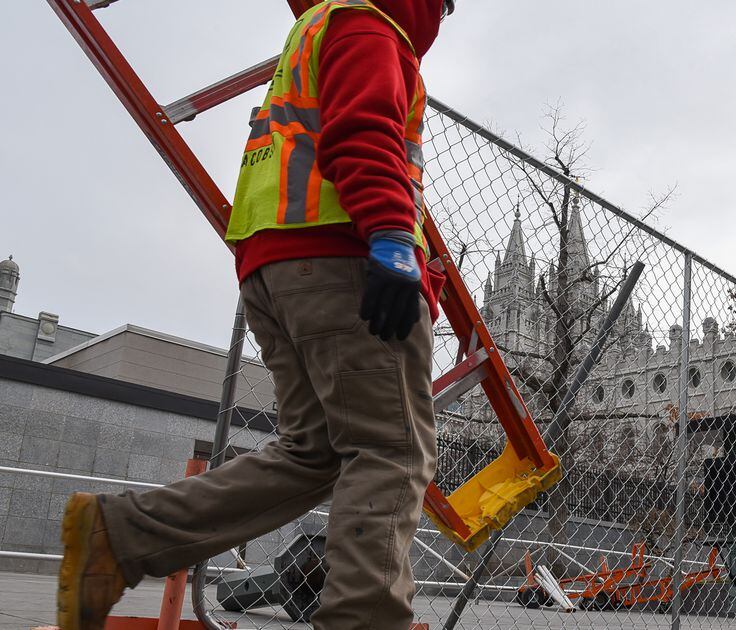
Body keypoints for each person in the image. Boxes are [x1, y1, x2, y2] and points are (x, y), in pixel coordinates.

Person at [56, 1, 451, 627]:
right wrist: (393, 237)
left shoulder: (317, 26)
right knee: (390, 451)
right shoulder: (372, 24)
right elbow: (363, 130)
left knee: (314, 451)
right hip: (345, 260)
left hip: (273, 268)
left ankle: (121, 536)